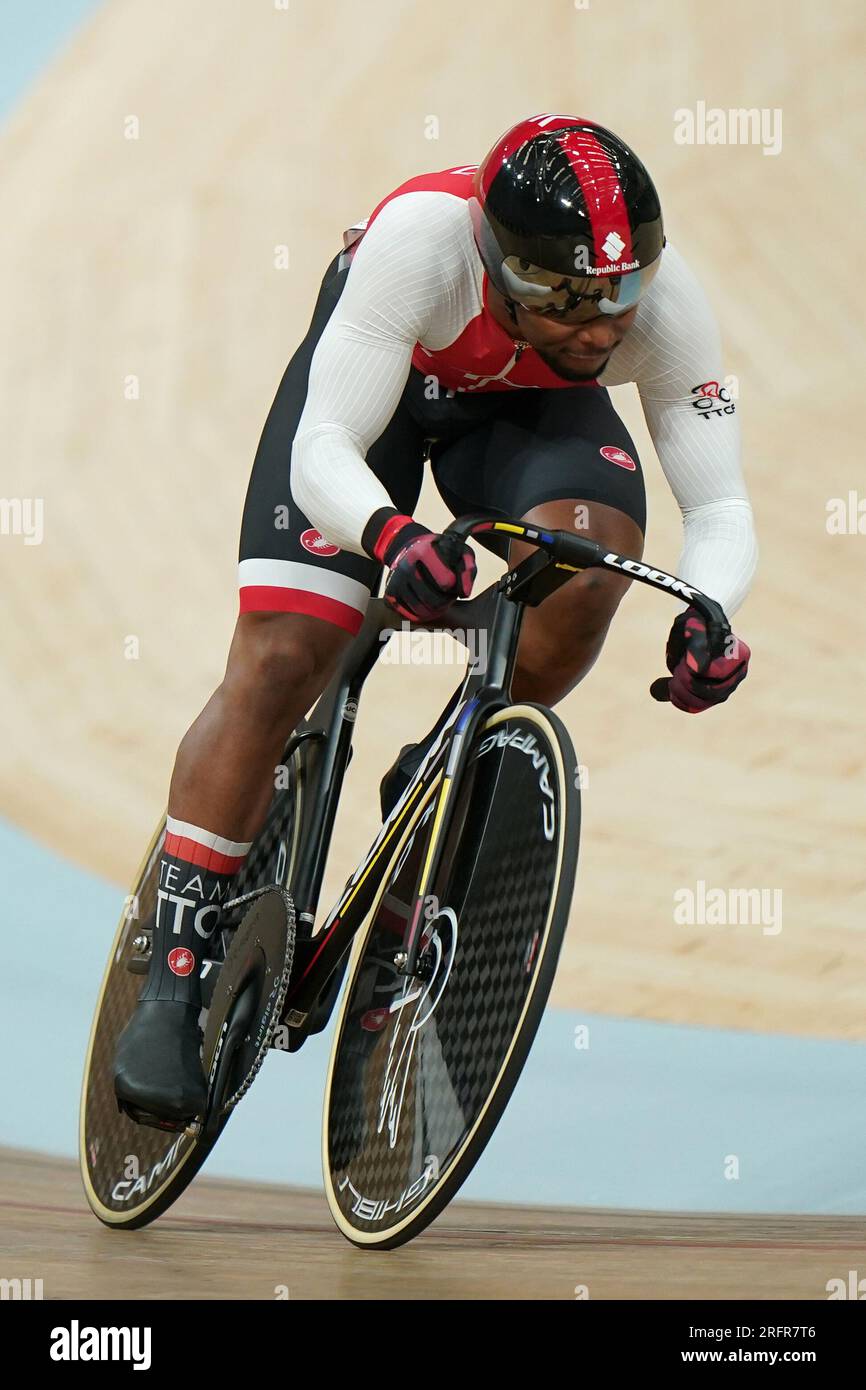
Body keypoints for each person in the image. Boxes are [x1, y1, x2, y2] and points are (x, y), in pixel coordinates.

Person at [113, 114, 756, 1125]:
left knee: (584, 571)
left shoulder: (660, 306)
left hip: (521, 414)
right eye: (564, 300)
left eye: (617, 298)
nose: (598, 328)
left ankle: (441, 755)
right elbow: (324, 441)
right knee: (287, 654)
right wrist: (385, 536)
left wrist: (709, 613)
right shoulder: (420, 244)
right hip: (379, 405)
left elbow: (716, 508)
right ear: (498, 266)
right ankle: (176, 966)